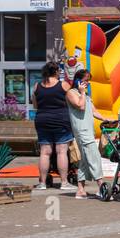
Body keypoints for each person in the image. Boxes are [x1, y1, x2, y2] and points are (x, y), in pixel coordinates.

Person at [66, 71, 108, 199]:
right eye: (85, 80)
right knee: (93, 155)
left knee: (85, 159)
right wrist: (82, 92)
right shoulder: (71, 93)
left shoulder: (86, 96)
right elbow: (80, 106)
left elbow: (94, 111)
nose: (88, 83)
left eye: (89, 80)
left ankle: (80, 190)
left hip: (88, 130)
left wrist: (107, 120)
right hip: (81, 130)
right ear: (78, 80)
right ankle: (101, 186)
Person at [32, 62, 73, 191]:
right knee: (61, 151)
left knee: (45, 152)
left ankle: (42, 183)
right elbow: (72, 101)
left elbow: (35, 105)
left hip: (42, 120)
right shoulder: (64, 85)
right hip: (60, 120)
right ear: (56, 72)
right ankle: (64, 182)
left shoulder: (37, 86)